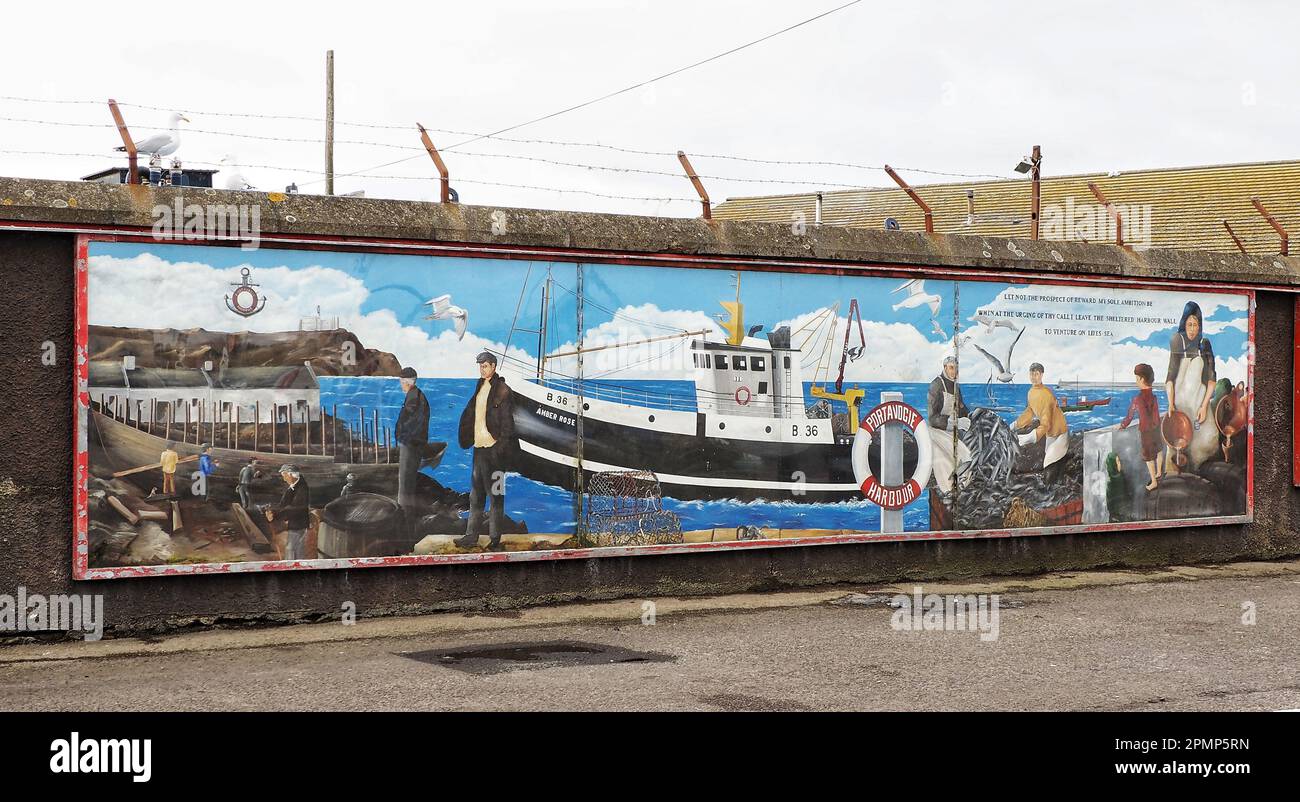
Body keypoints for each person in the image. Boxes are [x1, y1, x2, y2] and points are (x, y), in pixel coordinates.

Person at [454, 352, 516, 552]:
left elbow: (508, 427)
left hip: (495, 453)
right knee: (476, 495)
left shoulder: (503, 391)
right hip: (479, 451)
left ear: (494, 367)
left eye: (486, 366)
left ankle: (495, 539)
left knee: (496, 495)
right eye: (480, 366)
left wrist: (499, 450)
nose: (482, 369)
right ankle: (471, 536)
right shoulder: (479, 387)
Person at [1165, 301, 1218, 471]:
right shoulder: (1177, 341)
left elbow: (1211, 378)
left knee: (1208, 439)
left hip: (1198, 402)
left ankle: (1196, 472)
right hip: (1180, 403)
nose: (1192, 328)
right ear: (1184, 323)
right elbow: (1170, 378)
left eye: (1196, 324)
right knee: (1178, 443)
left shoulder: (1205, 343)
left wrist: (1204, 406)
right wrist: (1171, 403)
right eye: (1189, 324)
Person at [926, 355, 973, 495]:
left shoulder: (955, 387)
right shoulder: (936, 385)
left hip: (951, 431)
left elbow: (961, 408)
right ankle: (950, 489)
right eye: (951, 368)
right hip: (936, 432)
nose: (954, 371)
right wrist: (954, 423)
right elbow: (932, 418)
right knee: (959, 456)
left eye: (956, 368)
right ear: (945, 367)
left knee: (965, 455)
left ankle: (961, 487)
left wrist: (968, 416)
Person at [1013, 362, 1069, 480]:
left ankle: (1054, 488)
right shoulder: (1031, 392)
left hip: (1060, 433)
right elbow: (1029, 411)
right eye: (1031, 374)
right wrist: (1015, 424)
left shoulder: (1046, 395)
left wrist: (1032, 436)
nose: (1033, 377)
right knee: (1050, 464)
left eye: (1036, 374)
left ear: (1042, 375)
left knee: (1049, 462)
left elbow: (1046, 422)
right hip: (1050, 434)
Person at [1120, 363, 1163, 490]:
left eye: (1136, 378)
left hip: (1146, 430)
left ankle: (1154, 482)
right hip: (1156, 427)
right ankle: (1159, 472)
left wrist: (1123, 425)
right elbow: (1155, 413)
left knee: (1149, 456)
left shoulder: (1137, 399)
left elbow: (1130, 416)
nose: (1136, 381)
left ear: (1141, 379)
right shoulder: (1154, 397)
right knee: (1159, 450)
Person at [394, 367, 430, 510]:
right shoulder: (418, 395)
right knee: (408, 484)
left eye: (401, 382)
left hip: (410, 445)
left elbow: (410, 422)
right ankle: (407, 518)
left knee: (405, 486)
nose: (401, 385)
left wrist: (401, 436)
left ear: (406, 382)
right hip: (415, 444)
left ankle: (403, 518)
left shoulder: (413, 398)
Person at [265, 464, 310, 561]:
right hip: (295, 523)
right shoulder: (293, 487)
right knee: (297, 549)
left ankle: (291, 568)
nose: (284, 479)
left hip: (299, 524)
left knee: (291, 549)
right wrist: (273, 512)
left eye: (285, 476)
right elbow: (283, 504)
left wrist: (276, 516)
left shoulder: (302, 489)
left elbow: (294, 508)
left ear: (291, 475)